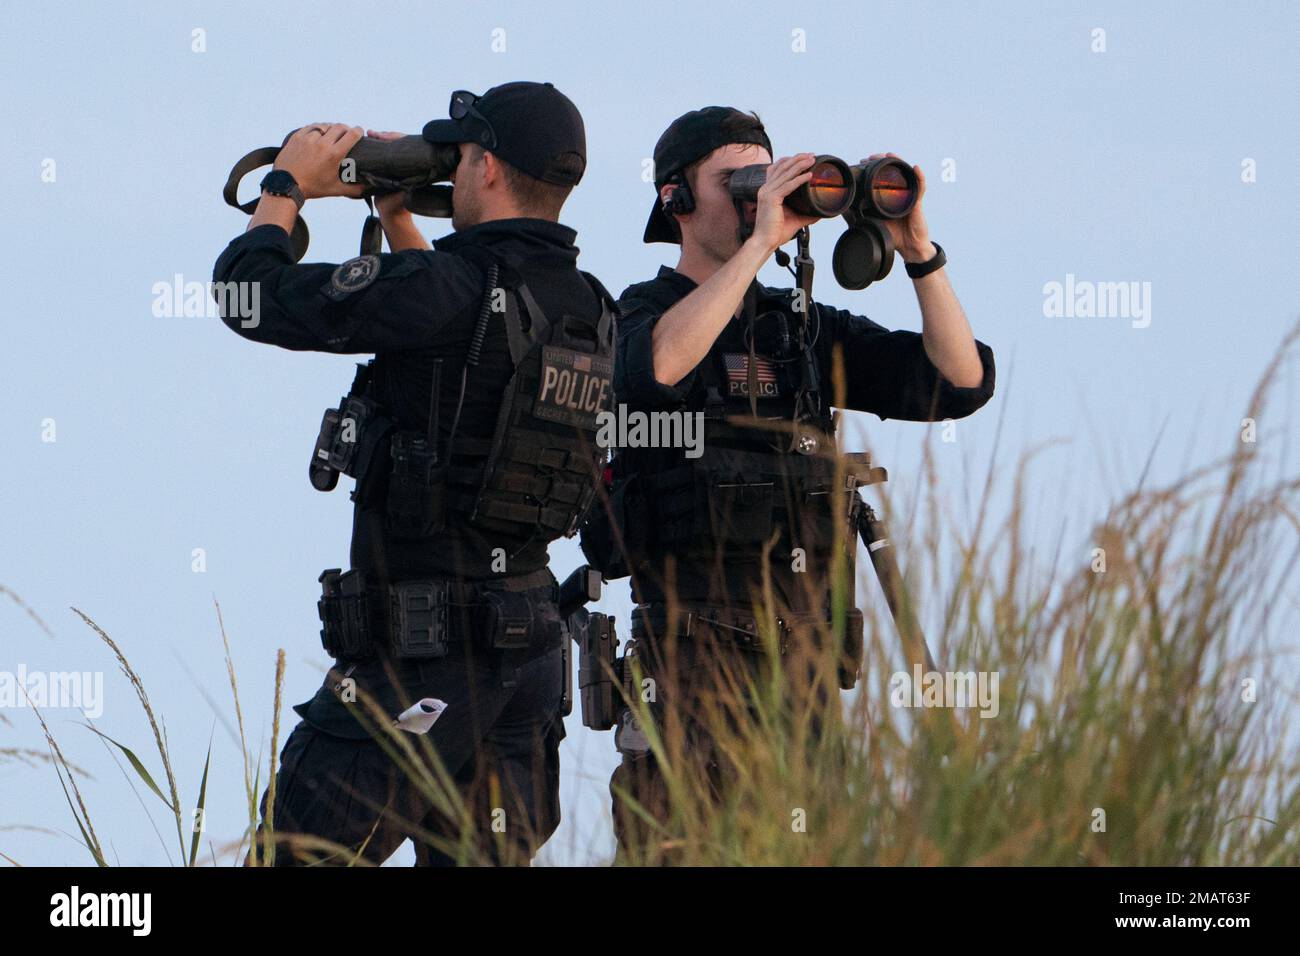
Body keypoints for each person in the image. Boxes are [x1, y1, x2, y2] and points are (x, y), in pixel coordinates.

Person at [211, 81, 615, 865]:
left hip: (420, 659)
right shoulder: (591, 306)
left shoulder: (443, 291)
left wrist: (285, 186)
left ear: (488, 167)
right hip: (527, 658)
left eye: (459, 156)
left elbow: (246, 295)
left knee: (293, 857)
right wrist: (398, 219)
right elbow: (473, 351)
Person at [583, 106, 996, 862]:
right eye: (734, 183)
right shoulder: (638, 312)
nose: (755, 199)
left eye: (764, 180)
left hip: (804, 661)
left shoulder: (801, 328)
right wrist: (761, 242)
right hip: (690, 656)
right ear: (674, 198)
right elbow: (654, 372)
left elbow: (959, 381)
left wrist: (917, 251)